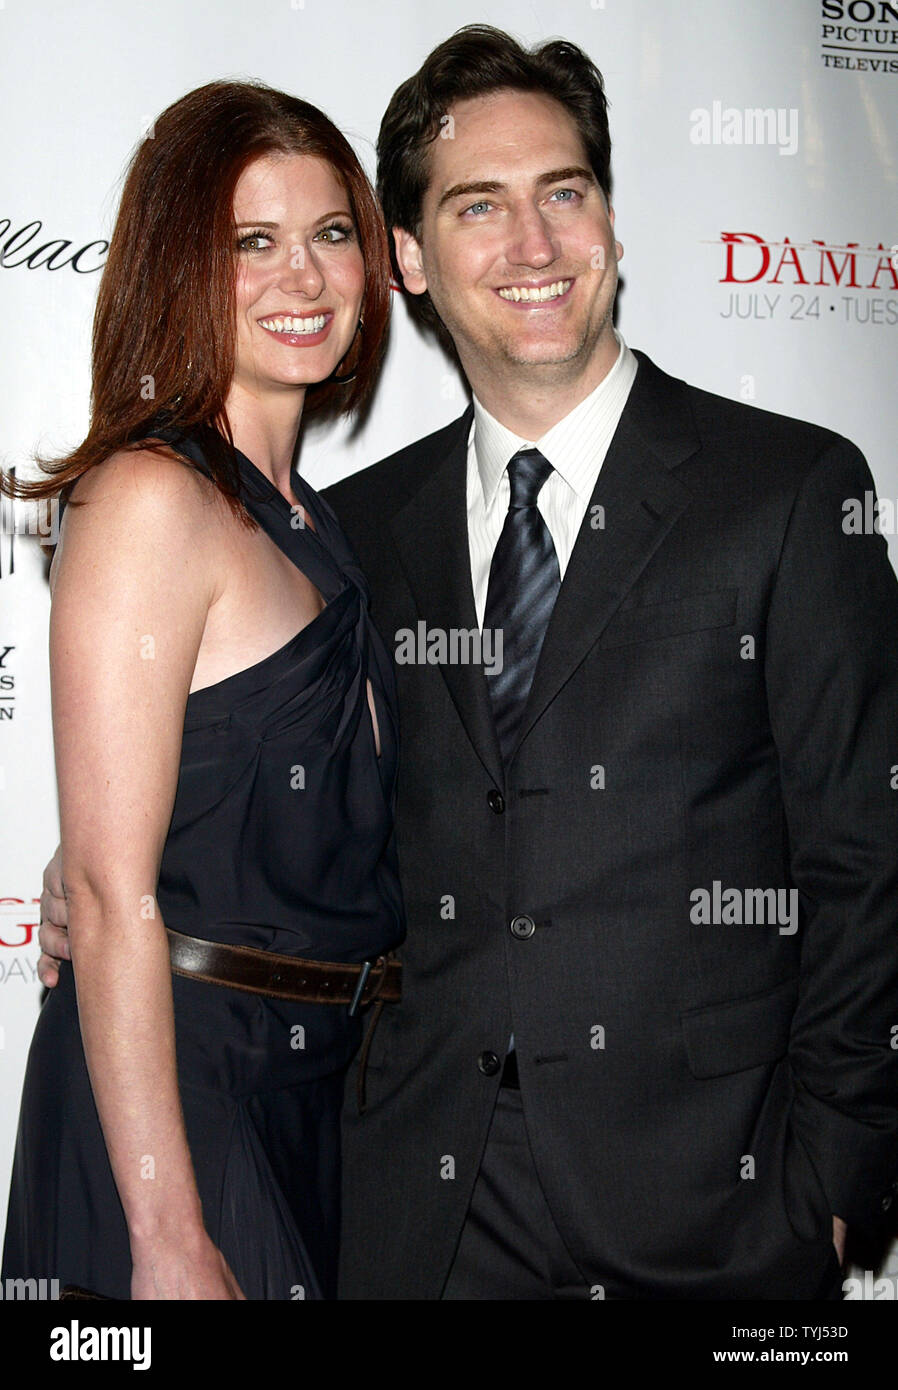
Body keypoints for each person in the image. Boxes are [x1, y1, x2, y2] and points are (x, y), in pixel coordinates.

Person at [37, 26, 898, 1300]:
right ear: (413, 260)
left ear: (610, 218)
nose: (533, 245)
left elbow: (868, 863)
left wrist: (832, 1193)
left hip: (714, 1223)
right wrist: (104, 864)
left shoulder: (787, 491)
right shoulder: (358, 528)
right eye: (476, 206)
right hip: (406, 1219)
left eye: (565, 192)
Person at [2, 79, 402, 1301]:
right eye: (250, 242)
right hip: (185, 1098)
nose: (305, 276)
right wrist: (166, 1234)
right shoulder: (148, 498)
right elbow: (118, 891)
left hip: (315, 1093)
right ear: (178, 264)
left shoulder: (316, 521)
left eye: (332, 232)